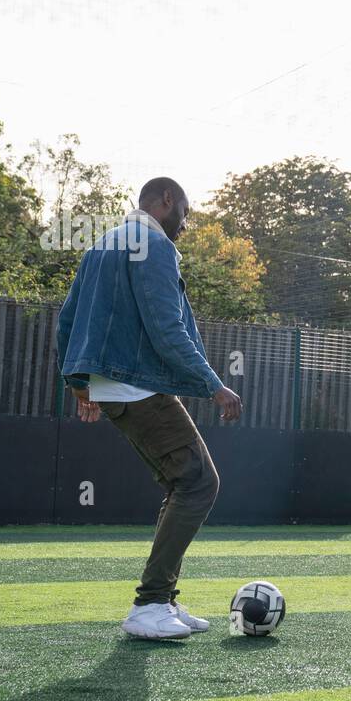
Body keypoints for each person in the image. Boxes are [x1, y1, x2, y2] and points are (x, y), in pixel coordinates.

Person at [57, 177, 243, 640]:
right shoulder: (152, 245)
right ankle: (150, 605)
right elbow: (167, 329)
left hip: (113, 386)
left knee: (183, 483)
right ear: (165, 201)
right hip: (136, 385)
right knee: (200, 482)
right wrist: (214, 385)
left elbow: (67, 318)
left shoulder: (104, 243)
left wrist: (80, 384)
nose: (186, 222)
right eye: (185, 209)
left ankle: (163, 601)